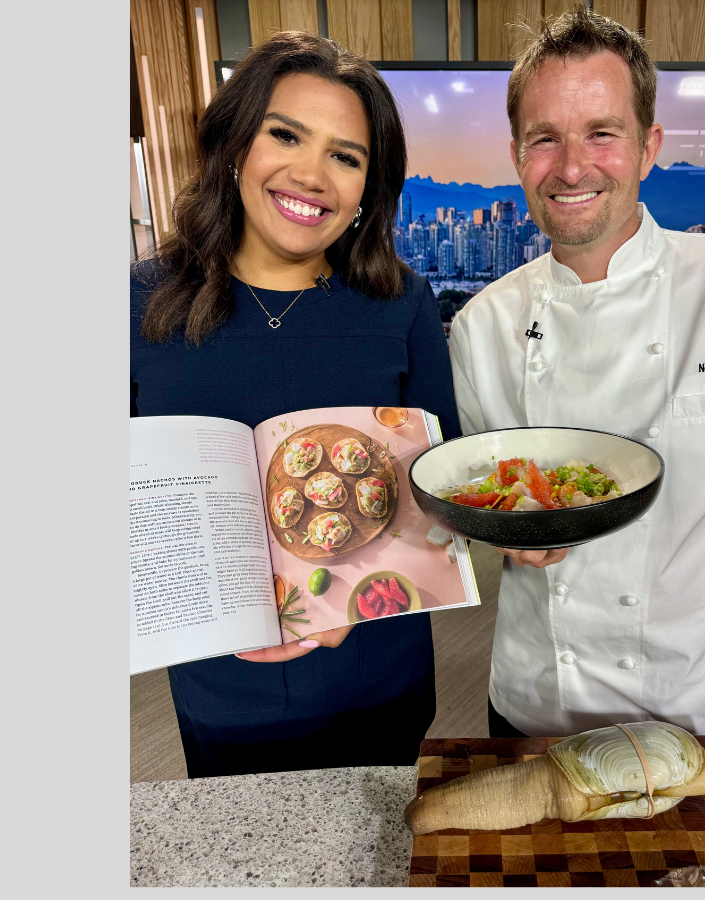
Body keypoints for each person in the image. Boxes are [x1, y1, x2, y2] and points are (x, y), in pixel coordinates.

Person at [448, 5, 705, 738]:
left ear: (649, 147)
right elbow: (477, 496)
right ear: (518, 155)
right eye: (544, 139)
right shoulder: (479, 324)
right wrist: (494, 530)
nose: (572, 167)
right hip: (541, 704)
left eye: (602, 134)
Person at [131, 32, 459, 776]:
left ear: (369, 187)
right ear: (236, 145)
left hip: (379, 666)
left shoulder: (400, 303)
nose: (311, 174)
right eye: (286, 135)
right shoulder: (139, 305)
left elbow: (439, 488)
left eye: (346, 156)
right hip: (224, 684)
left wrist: (339, 596)